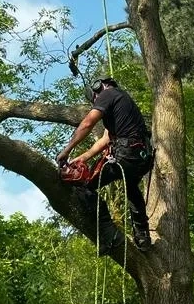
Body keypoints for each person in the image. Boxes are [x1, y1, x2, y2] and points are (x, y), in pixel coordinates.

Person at [57, 76, 154, 255]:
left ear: (97, 89)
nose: (95, 102)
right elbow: (105, 139)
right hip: (142, 158)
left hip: (126, 154)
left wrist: (66, 151)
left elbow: (87, 123)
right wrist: (81, 158)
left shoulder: (106, 94)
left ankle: (108, 233)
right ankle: (143, 237)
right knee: (132, 188)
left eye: (94, 100)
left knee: (84, 185)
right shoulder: (122, 101)